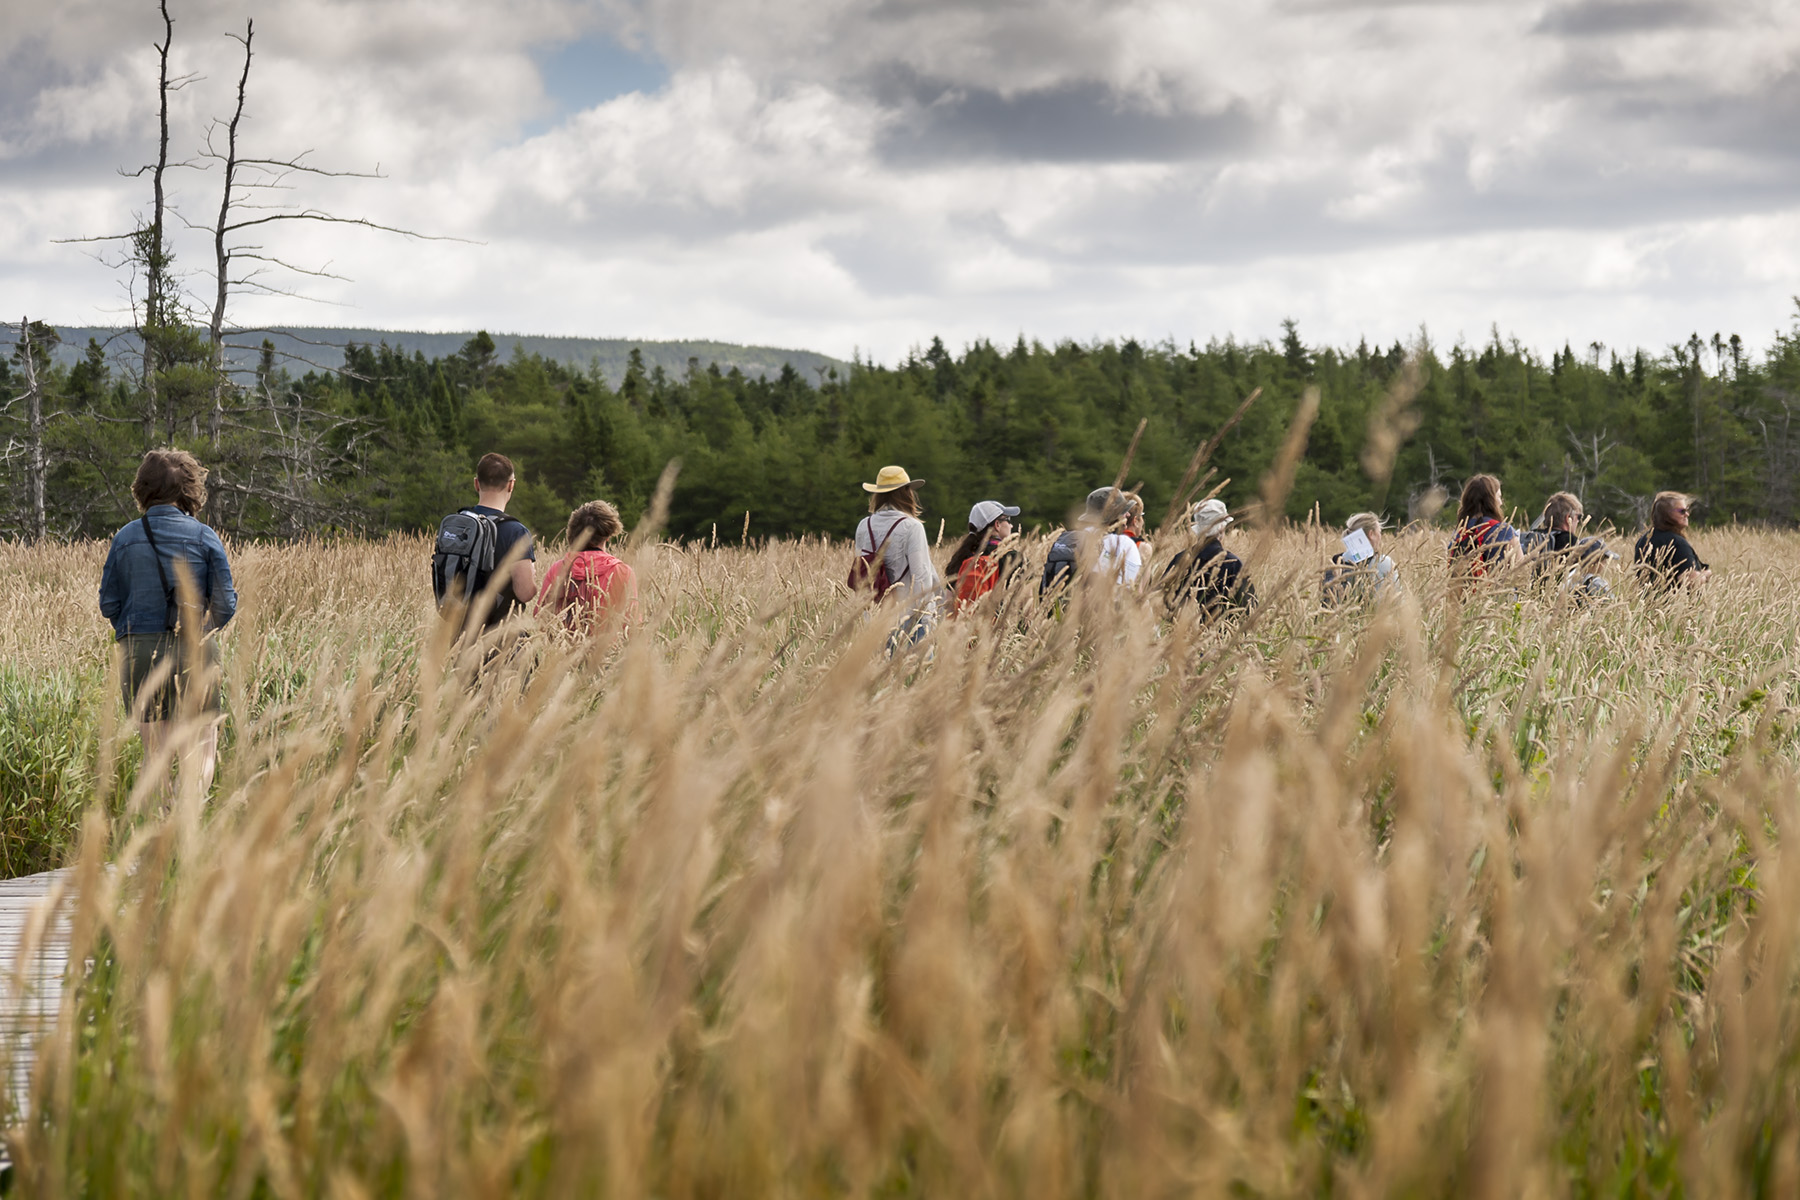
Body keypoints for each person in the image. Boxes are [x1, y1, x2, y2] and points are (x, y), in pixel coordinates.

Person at [97, 448, 238, 794]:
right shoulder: (205, 537)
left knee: (155, 754)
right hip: (195, 649)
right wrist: (201, 631)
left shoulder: (125, 538)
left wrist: (135, 632)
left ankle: (158, 833)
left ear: (143, 488)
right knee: (204, 747)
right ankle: (185, 827)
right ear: (190, 489)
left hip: (139, 652)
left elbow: (108, 603)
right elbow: (226, 603)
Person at [432, 452, 538, 630]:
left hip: (458, 635)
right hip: (499, 639)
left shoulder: (458, 525)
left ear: (476, 483)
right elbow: (525, 592)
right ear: (511, 485)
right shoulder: (516, 532)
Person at [852, 466, 940, 642]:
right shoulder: (912, 527)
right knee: (914, 670)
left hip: (873, 621)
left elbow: (860, 574)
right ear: (906, 492)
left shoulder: (864, 525)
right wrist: (928, 619)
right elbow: (921, 579)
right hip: (908, 621)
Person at [536, 499, 638, 634]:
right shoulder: (623, 572)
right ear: (607, 536)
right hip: (609, 652)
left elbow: (541, 617)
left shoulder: (558, 569)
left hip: (563, 652)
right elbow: (633, 624)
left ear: (573, 534)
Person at [1160, 497, 1255, 617]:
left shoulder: (1179, 559)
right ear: (1221, 527)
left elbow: (1161, 601)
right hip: (1221, 635)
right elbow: (1249, 609)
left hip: (1180, 634)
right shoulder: (1233, 564)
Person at [1041, 486, 1140, 592]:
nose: (1128, 514)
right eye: (1123, 511)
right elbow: (1124, 591)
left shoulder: (1067, 538)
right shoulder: (1123, 544)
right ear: (1114, 516)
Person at [944, 499, 1022, 612]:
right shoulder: (1013, 557)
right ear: (997, 525)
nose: (1011, 525)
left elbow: (949, 607)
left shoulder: (961, 559)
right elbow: (1027, 604)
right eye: (1008, 520)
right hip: (1003, 627)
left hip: (966, 628)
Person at [1634, 490, 1710, 590]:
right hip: (1674, 603)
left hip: (1647, 603)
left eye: (1687, 510)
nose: (1687, 514)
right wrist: (1706, 575)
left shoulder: (1643, 540)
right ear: (1666, 514)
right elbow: (1691, 582)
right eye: (1682, 511)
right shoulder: (1678, 543)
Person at [1448, 473, 1522, 577]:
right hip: (1499, 592)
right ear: (1491, 500)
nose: (1501, 502)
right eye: (1499, 497)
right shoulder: (1504, 531)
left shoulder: (1458, 534)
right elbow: (1522, 573)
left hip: (1464, 592)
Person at [1321, 511, 1398, 606]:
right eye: (1379, 532)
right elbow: (1399, 601)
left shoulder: (1335, 562)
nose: (1380, 537)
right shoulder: (1385, 563)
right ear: (1371, 534)